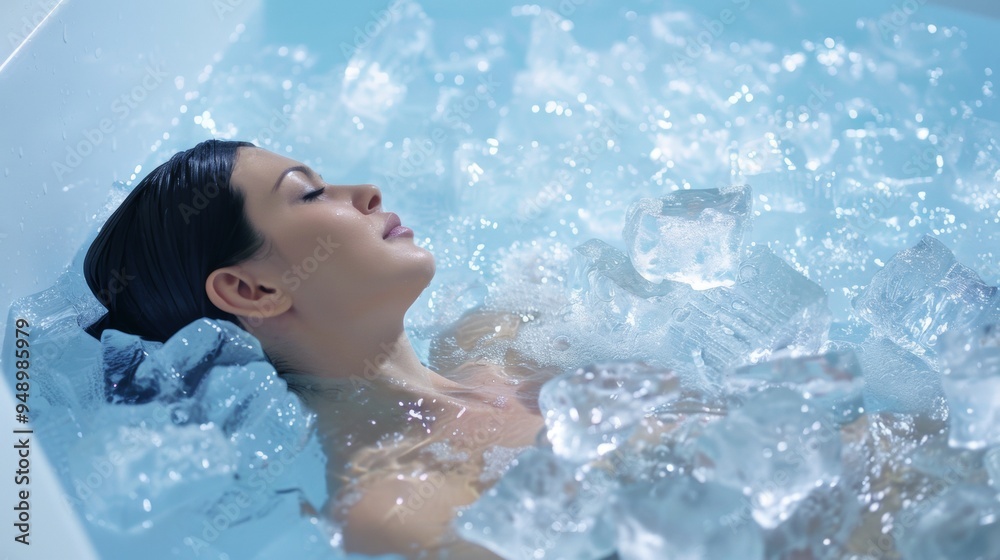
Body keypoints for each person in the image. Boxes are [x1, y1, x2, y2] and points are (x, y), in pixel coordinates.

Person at [83, 139, 552, 558]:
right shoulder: (395, 514)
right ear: (253, 292)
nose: (368, 192)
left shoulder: (499, 336)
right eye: (309, 193)